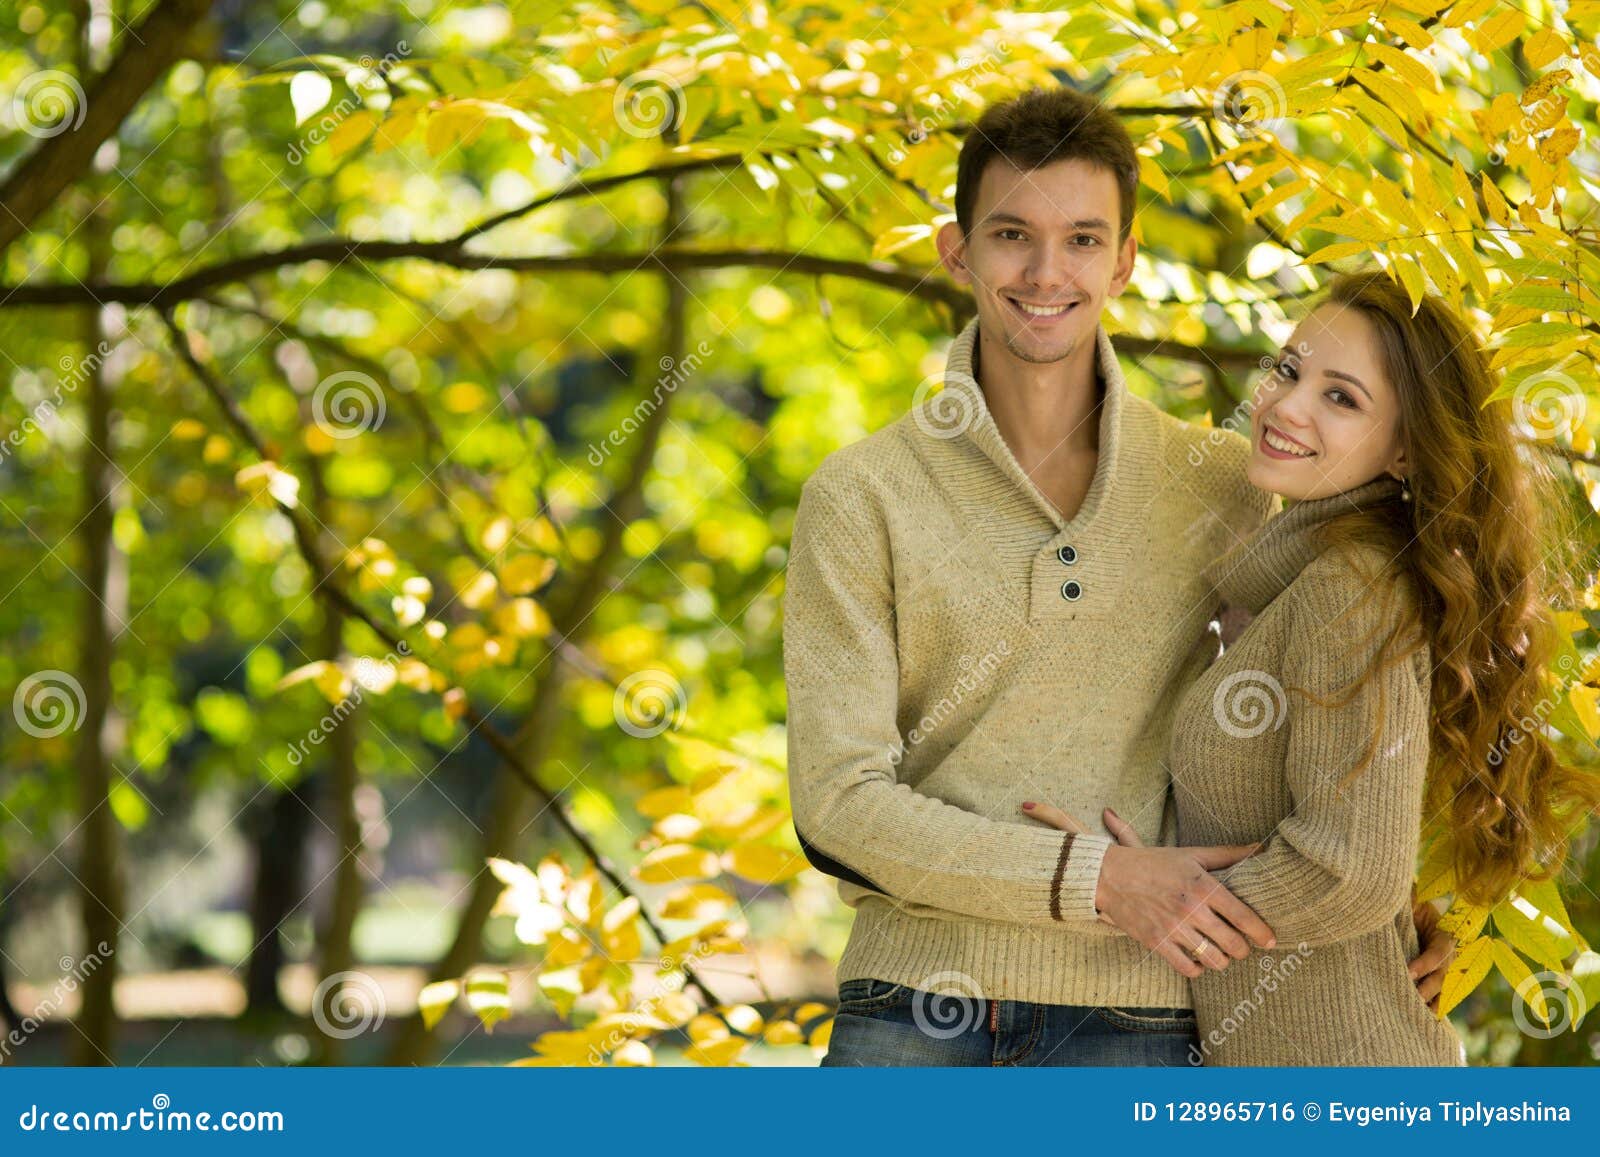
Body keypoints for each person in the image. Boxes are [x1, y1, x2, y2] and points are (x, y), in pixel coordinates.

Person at [782, 85, 1454, 1066]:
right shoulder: (859, 495)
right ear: (955, 250)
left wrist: (1400, 905)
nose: (1046, 270)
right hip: (909, 1002)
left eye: (1084, 238)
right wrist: (1092, 876)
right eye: (1011, 233)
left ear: (1126, 259)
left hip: (1139, 1014)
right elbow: (836, 805)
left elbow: (1318, 721)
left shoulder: (1224, 486)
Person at [1026, 272, 1600, 1064]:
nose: (1286, 407)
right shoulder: (1301, 582)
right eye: (1290, 371)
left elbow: (1350, 869)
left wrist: (1140, 897)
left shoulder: (1351, 583)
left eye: (1343, 398)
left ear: (1404, 449)